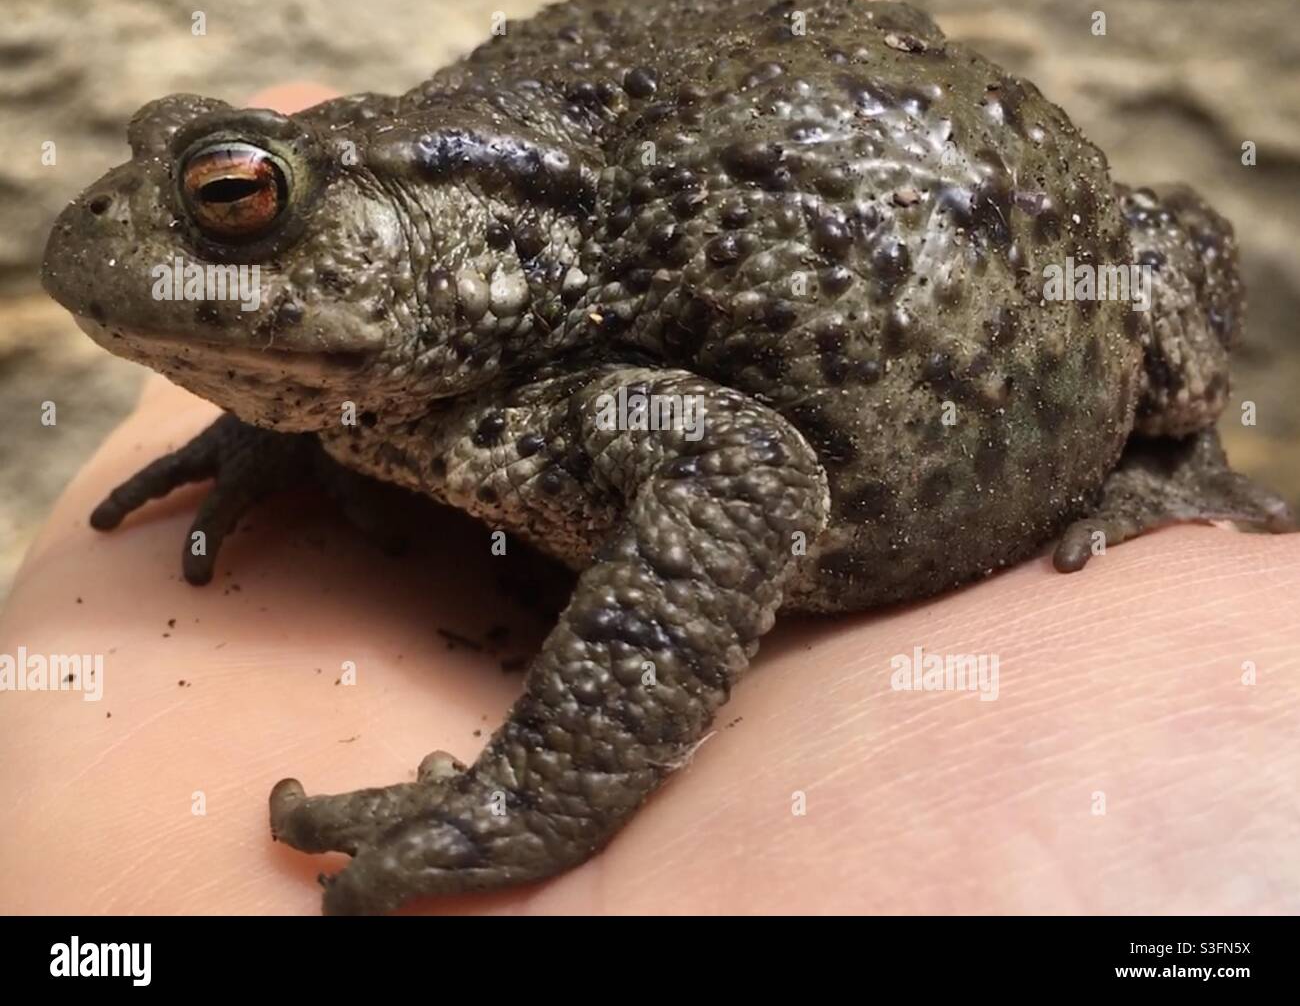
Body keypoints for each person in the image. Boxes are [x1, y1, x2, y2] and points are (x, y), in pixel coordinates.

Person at [2, 85, 1296, 915]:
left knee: (1145, 267)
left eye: (232, 204)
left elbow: (744, 467)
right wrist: (278, 419)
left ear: (429, 236)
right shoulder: (439, 357)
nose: (127, 229)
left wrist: (542, 784)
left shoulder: (554, 383)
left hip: (976, 230)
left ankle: (1171, 457)